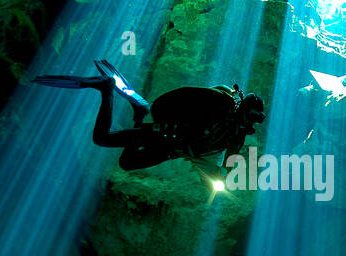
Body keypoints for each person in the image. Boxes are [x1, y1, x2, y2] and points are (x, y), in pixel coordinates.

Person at [34, 60, 265, 173]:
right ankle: (106, 88)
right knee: (102, 138)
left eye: (253, 120)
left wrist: (222, 175)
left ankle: (138, 109)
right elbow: (183, 95)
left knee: (126, 163)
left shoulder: (237, 135)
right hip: (160, 133)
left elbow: (227, 165)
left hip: (169, 150)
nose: (249, 122)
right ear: (243, 108)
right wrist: (156, 113)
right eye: (250, 116)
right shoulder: (221, 102)